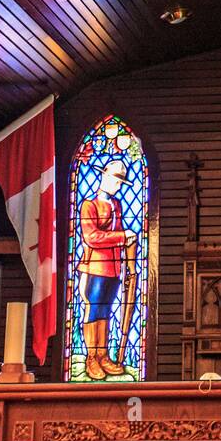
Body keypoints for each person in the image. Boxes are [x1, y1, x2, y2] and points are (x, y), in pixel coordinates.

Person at [77, 158, 138, 380]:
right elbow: (92, 237)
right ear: (103, 175)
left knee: (106, 310)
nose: (118, 185)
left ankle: (103, 355)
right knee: (93, 309)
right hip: (94, 266)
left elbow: (120, 232)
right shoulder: (88, 205)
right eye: (115, 179)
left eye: (121, 182)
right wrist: (123, 236)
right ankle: (91, 357)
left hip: (113, 268)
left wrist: (127, 239)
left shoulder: (117, 205)